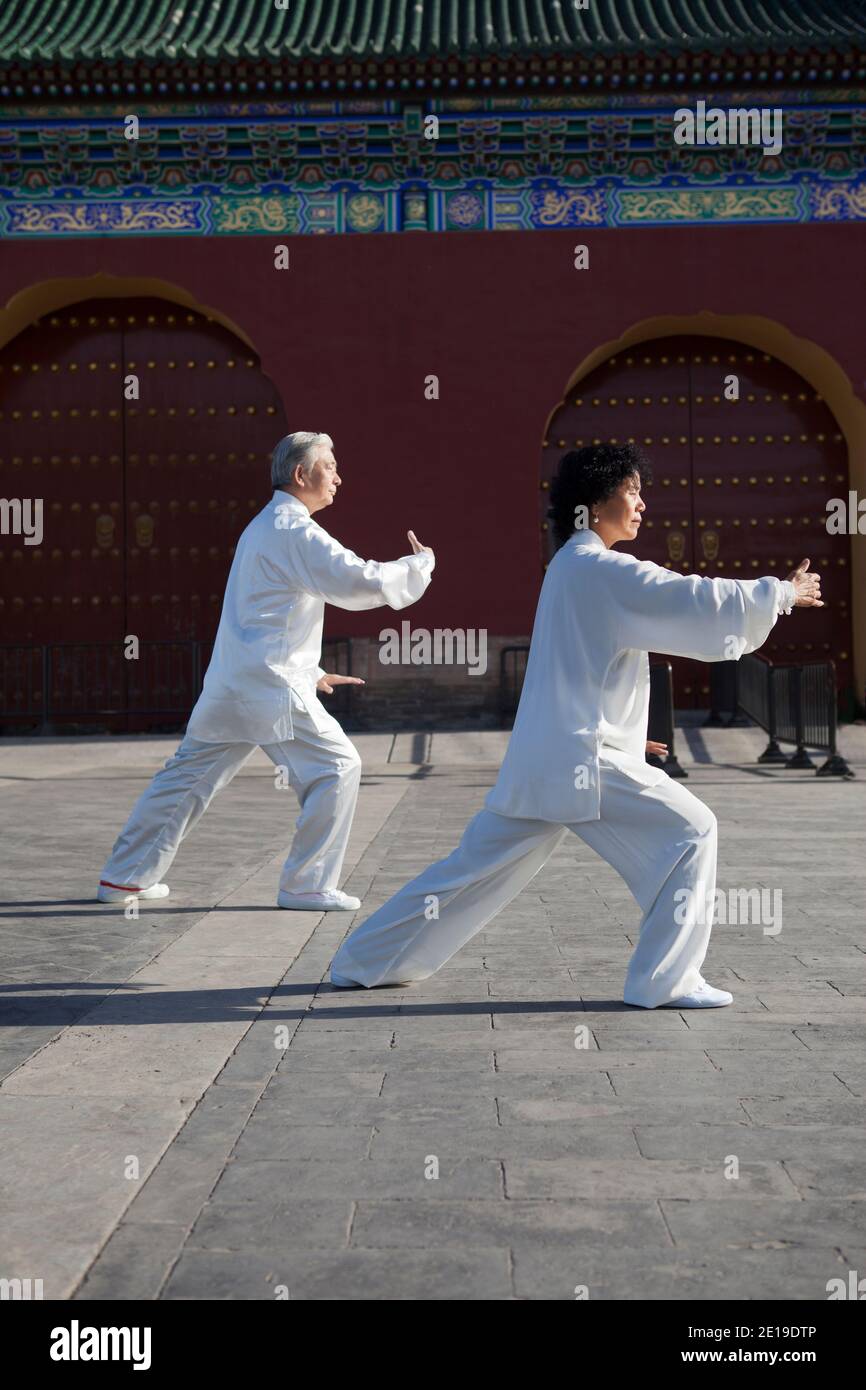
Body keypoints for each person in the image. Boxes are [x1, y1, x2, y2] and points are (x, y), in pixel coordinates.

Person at [330, 443, 823, 1007]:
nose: (642, 504)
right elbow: (687, 597)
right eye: (632, 490)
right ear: (594, 501)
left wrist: (631, 738)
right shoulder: (597, 567)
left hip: (554, 758)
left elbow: (586, 665)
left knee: (471, 870)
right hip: (581, 759)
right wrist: (780, 594)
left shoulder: (572, 566)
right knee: (693, 831)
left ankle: (363, 960)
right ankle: (664, 981)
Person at [96, 431, 434, 911]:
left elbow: (263, 613)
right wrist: (420, 565)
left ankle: (123, 878)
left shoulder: (262, 526)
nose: (339, 476)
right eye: (330, 466)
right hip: (271, 684)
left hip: (235, 683)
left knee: (186, 778)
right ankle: (306, 884)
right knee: (337, 767)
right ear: (301, 474)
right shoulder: (294, 530)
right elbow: (359, 581)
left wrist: (311, 670)